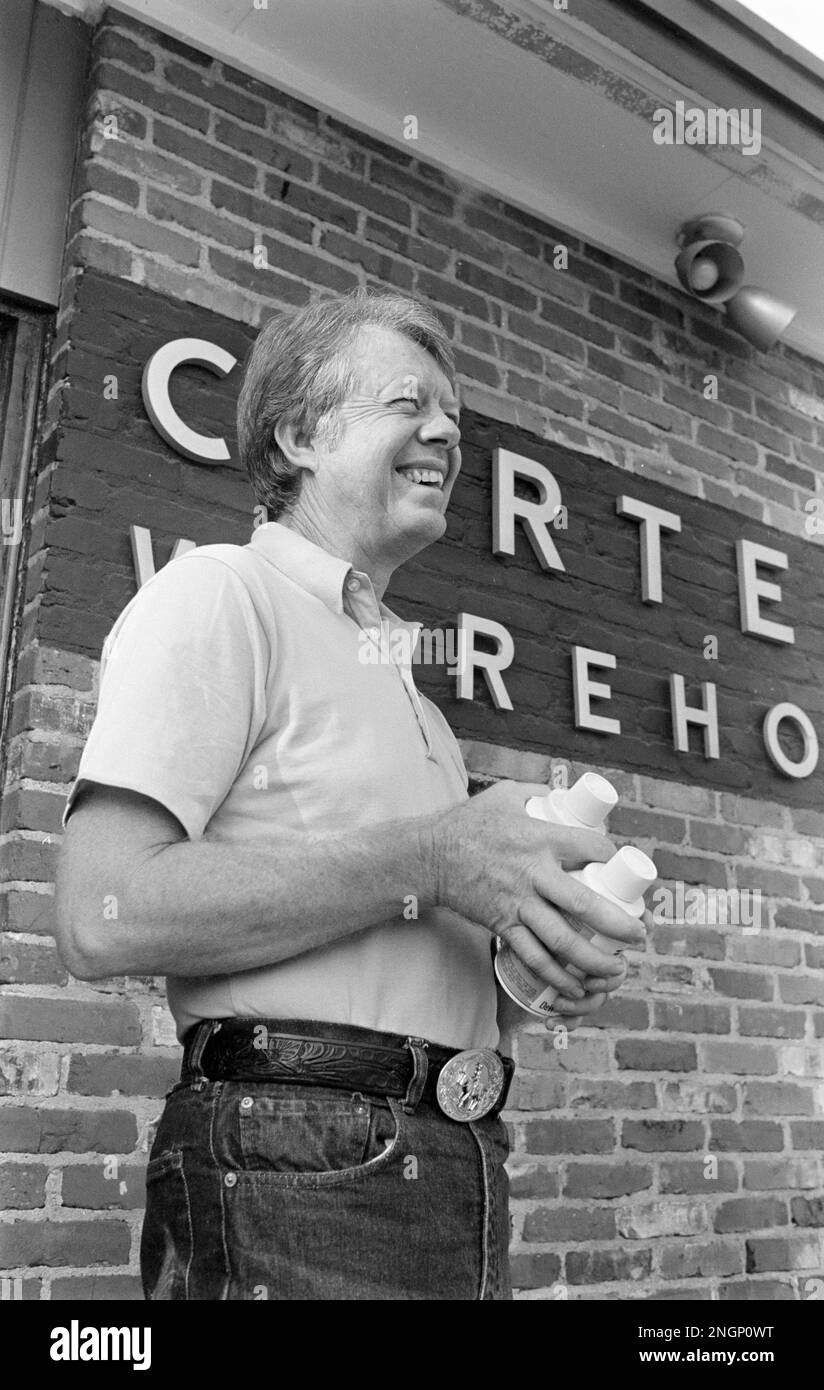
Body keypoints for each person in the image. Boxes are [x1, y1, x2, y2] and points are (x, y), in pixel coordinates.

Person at [54, 289, 647, 1301]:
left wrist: (527, 958)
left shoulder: (406, 690)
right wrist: (431, 856)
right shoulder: (218, 595)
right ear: (298, 434)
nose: (445, 431)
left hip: (450, 1156)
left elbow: (400, 925)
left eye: (453, 415)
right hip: (297, 1156)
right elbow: (99, 914)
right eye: (406, 401)